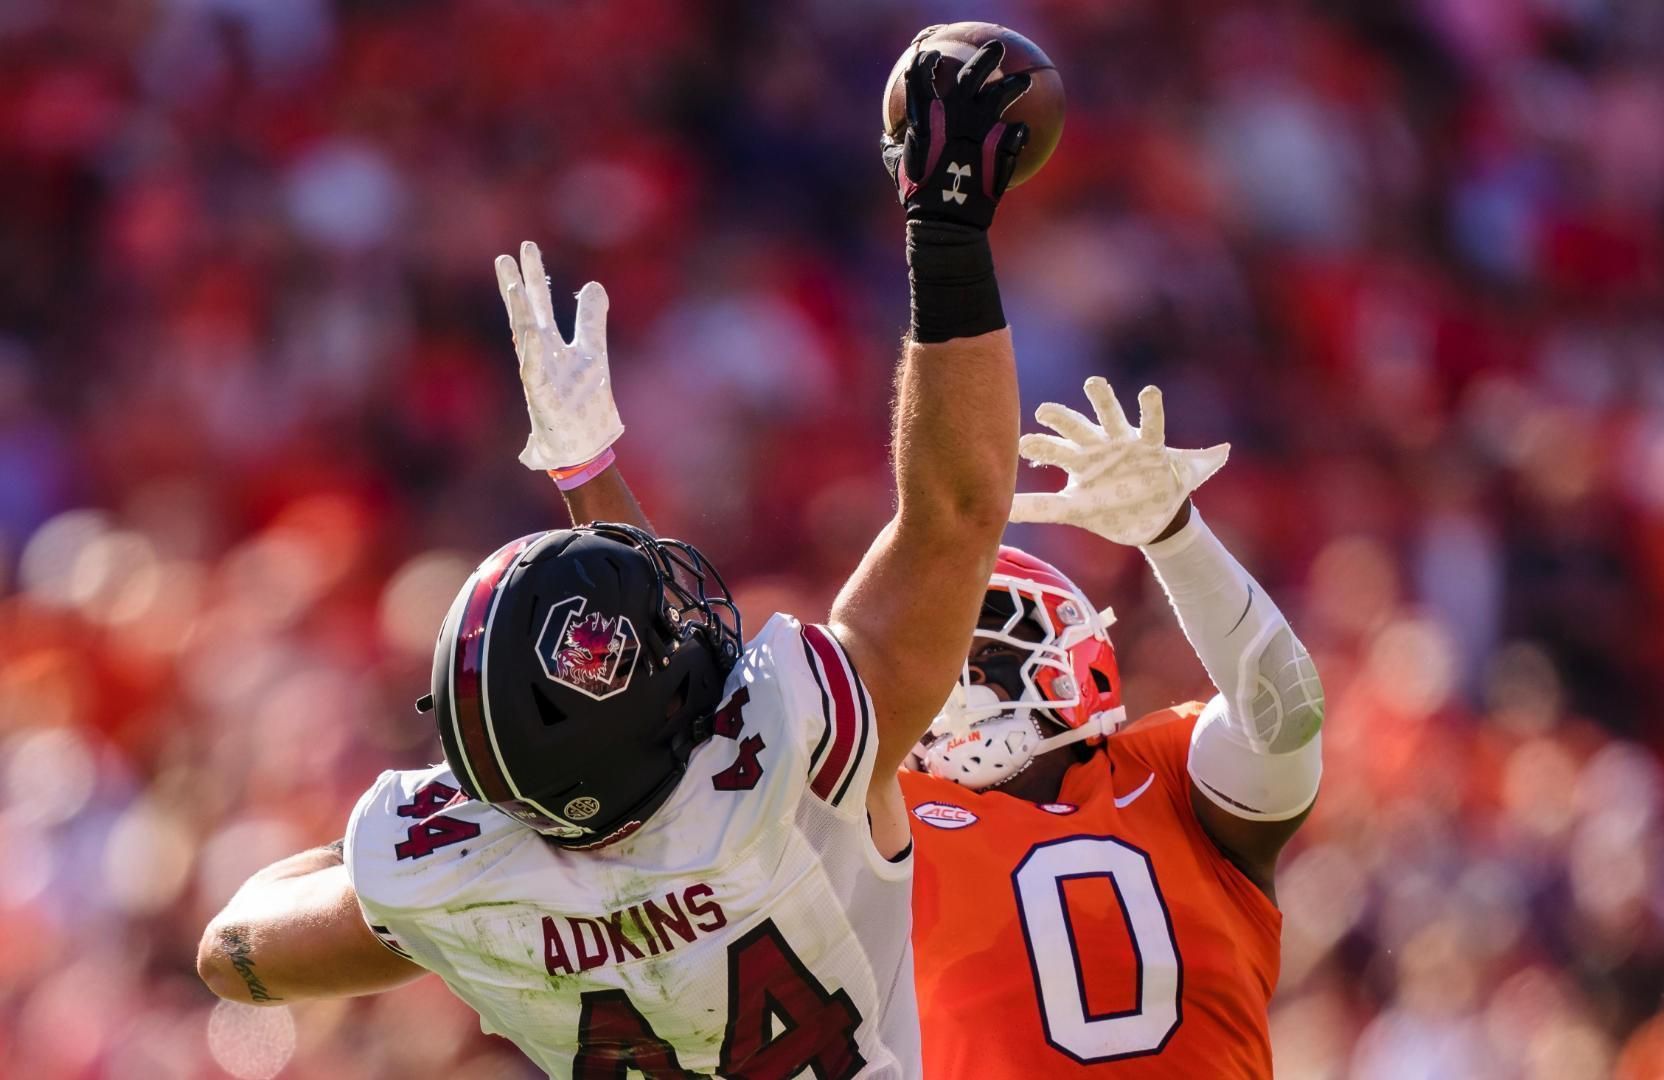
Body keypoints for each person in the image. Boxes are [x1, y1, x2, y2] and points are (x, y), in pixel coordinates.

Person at [197, 40, 1038, 1079]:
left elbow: (234, 954)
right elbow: (956, 510)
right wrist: (945, 225)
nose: (688, 624)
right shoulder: (789, 761)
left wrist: (493, 805)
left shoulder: (458, 882)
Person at [899, 376, 1326, 1079]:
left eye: (988, 654)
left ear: (1078, 656)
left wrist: (1176, 536)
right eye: (936, 658)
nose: (959, 688)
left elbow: (1287, 709)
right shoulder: (885, 820)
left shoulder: (1173, 777)